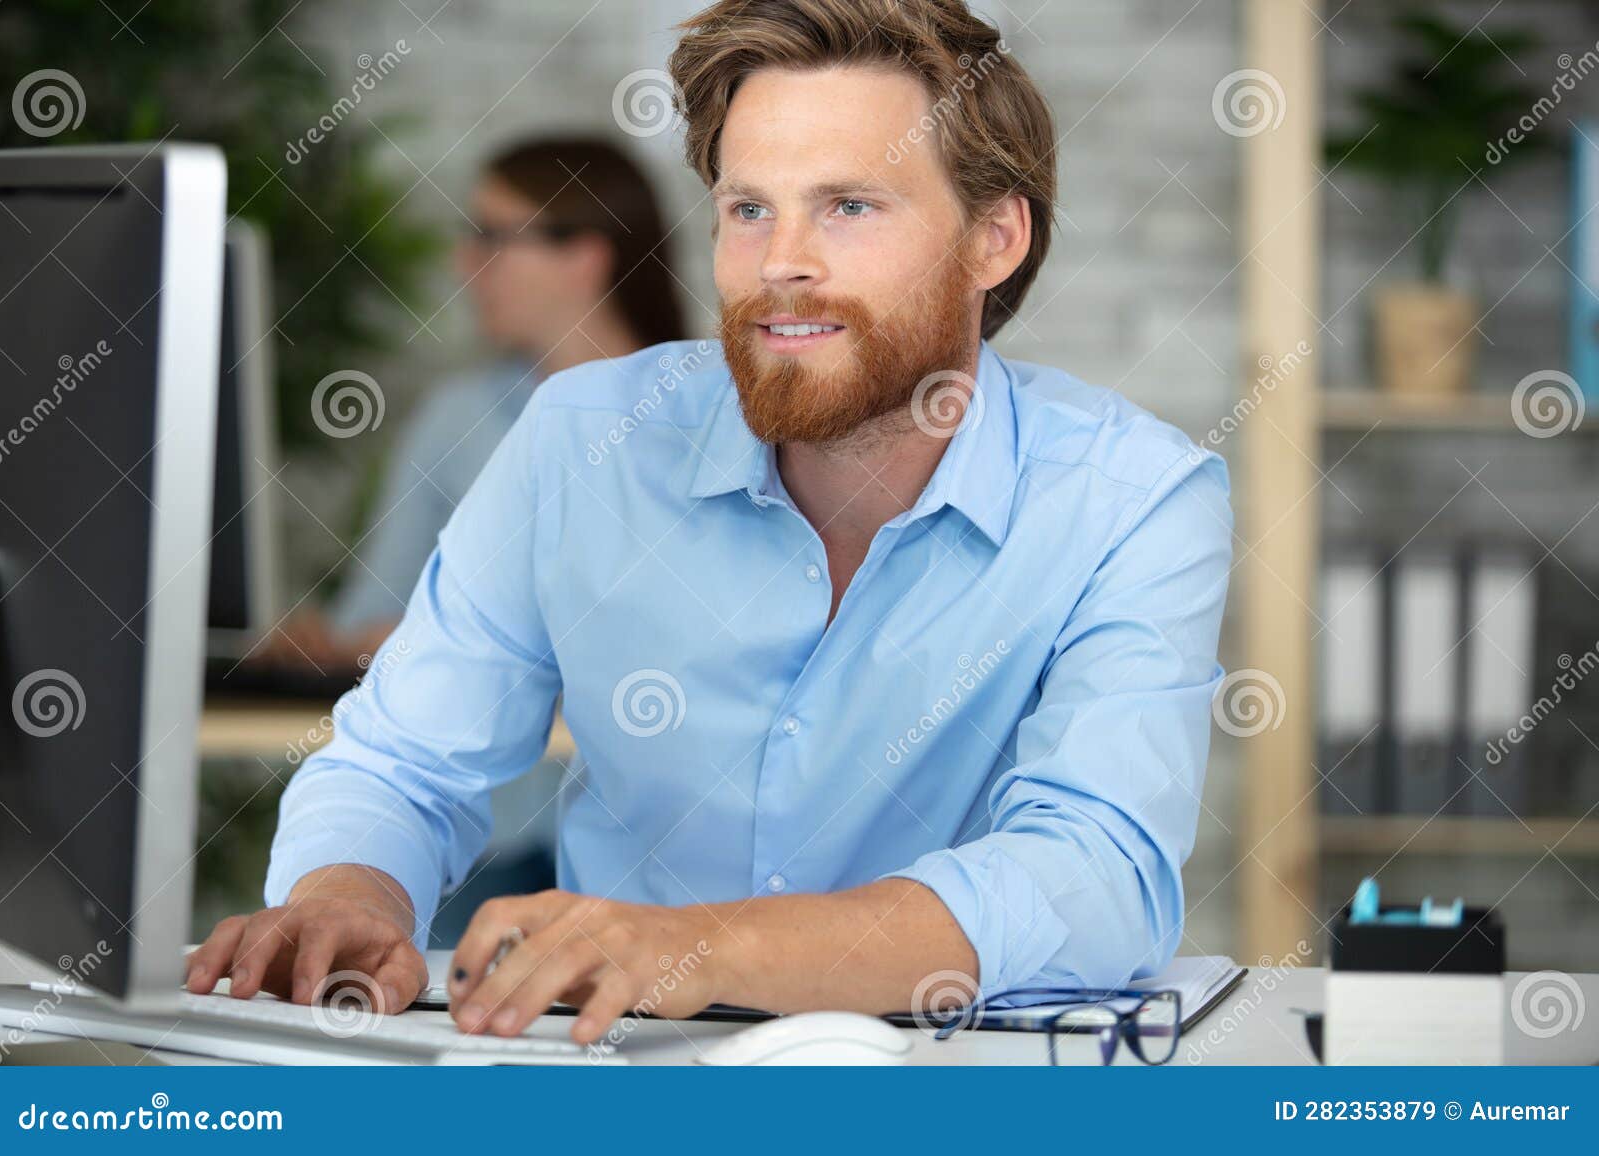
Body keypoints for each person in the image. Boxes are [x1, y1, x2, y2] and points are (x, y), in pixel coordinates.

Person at [187, 0, 1233, 1048]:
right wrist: (346, 900)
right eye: (747, 210)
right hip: (622, 1078)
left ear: (993, 238)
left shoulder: (1130, 496)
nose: (781, 262)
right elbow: (404, 763)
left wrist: (694, 949)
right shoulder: (581, 438)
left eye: (850, 207)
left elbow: (1094, 870)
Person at [258, 136, 686, 672]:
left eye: (491, 237)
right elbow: (371, 618)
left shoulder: (701, 419)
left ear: (584, 258)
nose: (465, 263)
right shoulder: (457, 416)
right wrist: (324, 648)